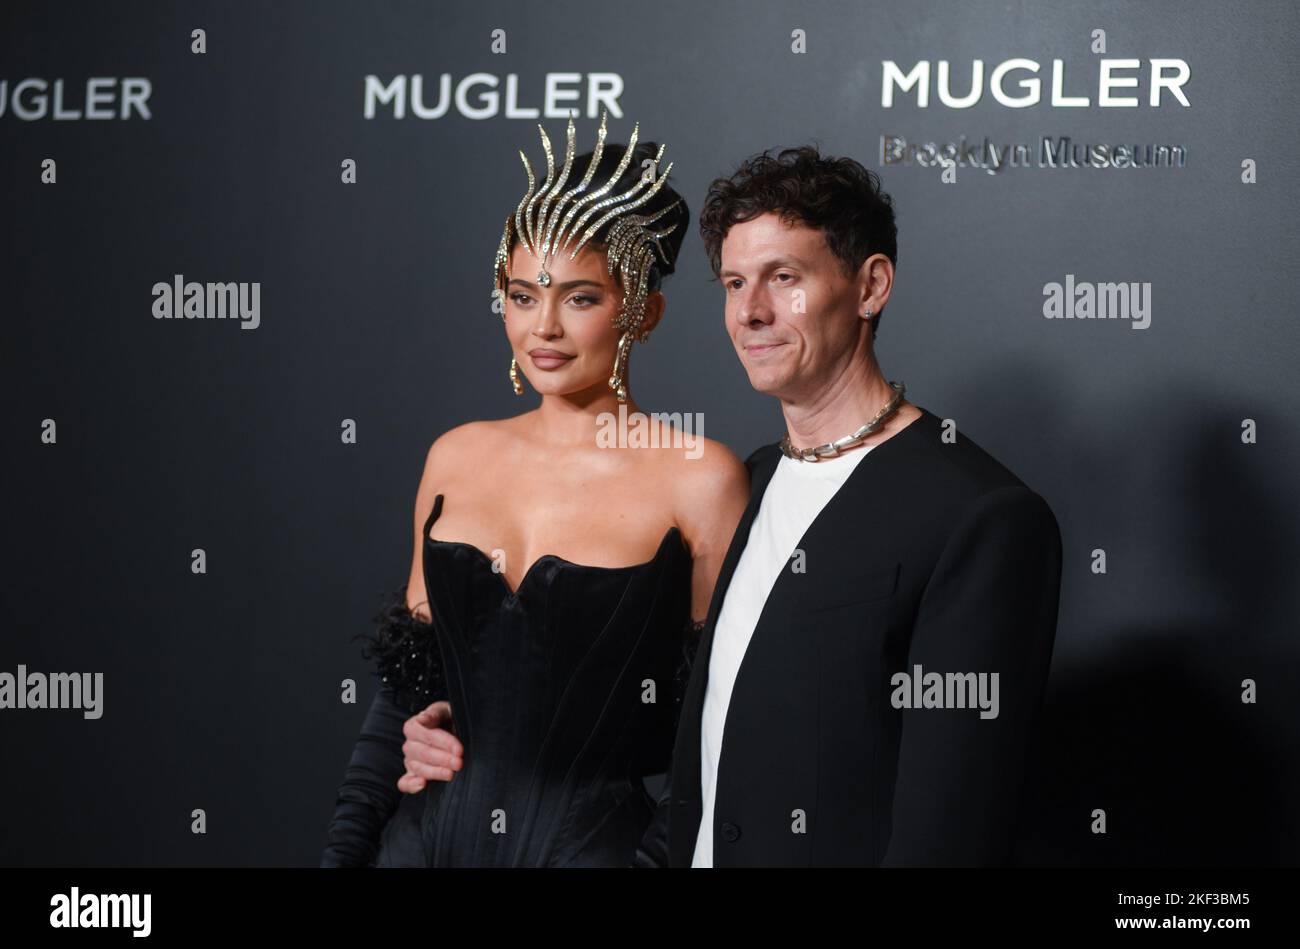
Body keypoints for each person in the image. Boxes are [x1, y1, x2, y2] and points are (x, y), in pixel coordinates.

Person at [399, 145, 1063, 867]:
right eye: (735, 282)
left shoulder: (979, 514)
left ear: (871, 285)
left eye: (785, 278)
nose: (751, 311)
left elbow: (950, 829)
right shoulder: (752, 480)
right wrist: (465, 718)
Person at [320, 112, 749, 867]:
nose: (543, 327)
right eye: (522, 295)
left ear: (642, 312)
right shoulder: (455, 456)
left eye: (580, 298)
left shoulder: (701, 477)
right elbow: (399, 704)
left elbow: (719, 736)